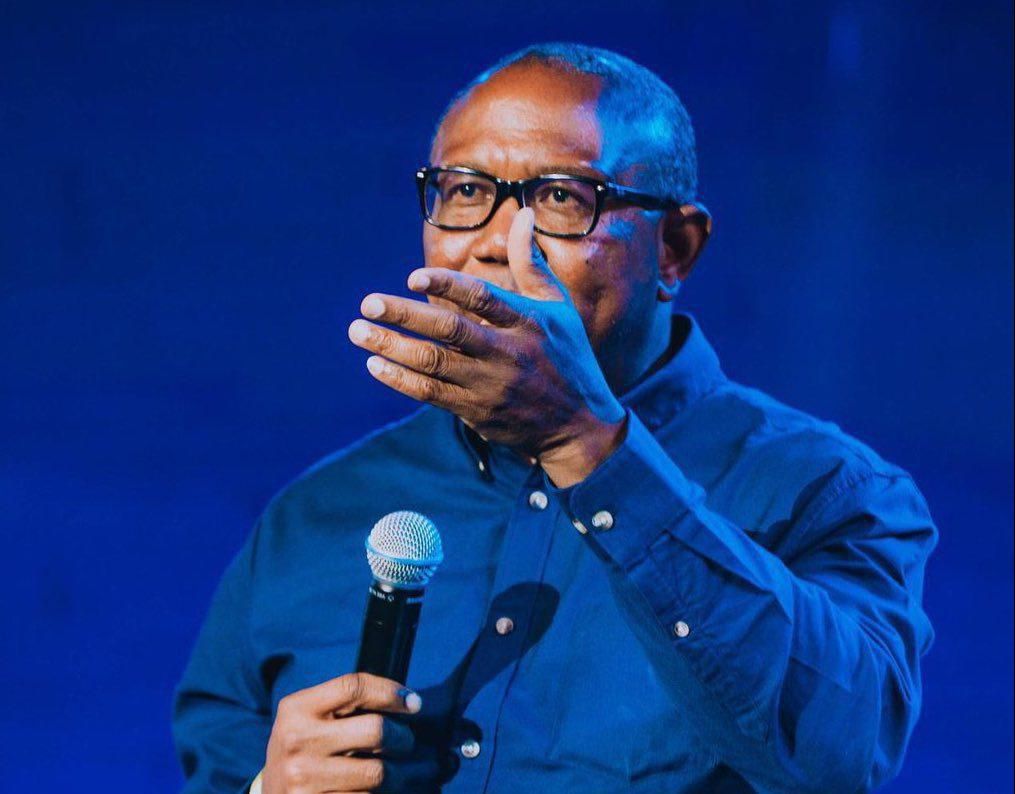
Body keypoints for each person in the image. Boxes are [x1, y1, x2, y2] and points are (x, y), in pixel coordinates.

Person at [173, 43, 936, 793]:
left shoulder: (825, 492)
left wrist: (586, 441)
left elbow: (842, 752)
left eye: (560, 198)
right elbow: (216, 765)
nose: (495, 244)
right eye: (464, 191)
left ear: (674, 249)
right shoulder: (320, 512)